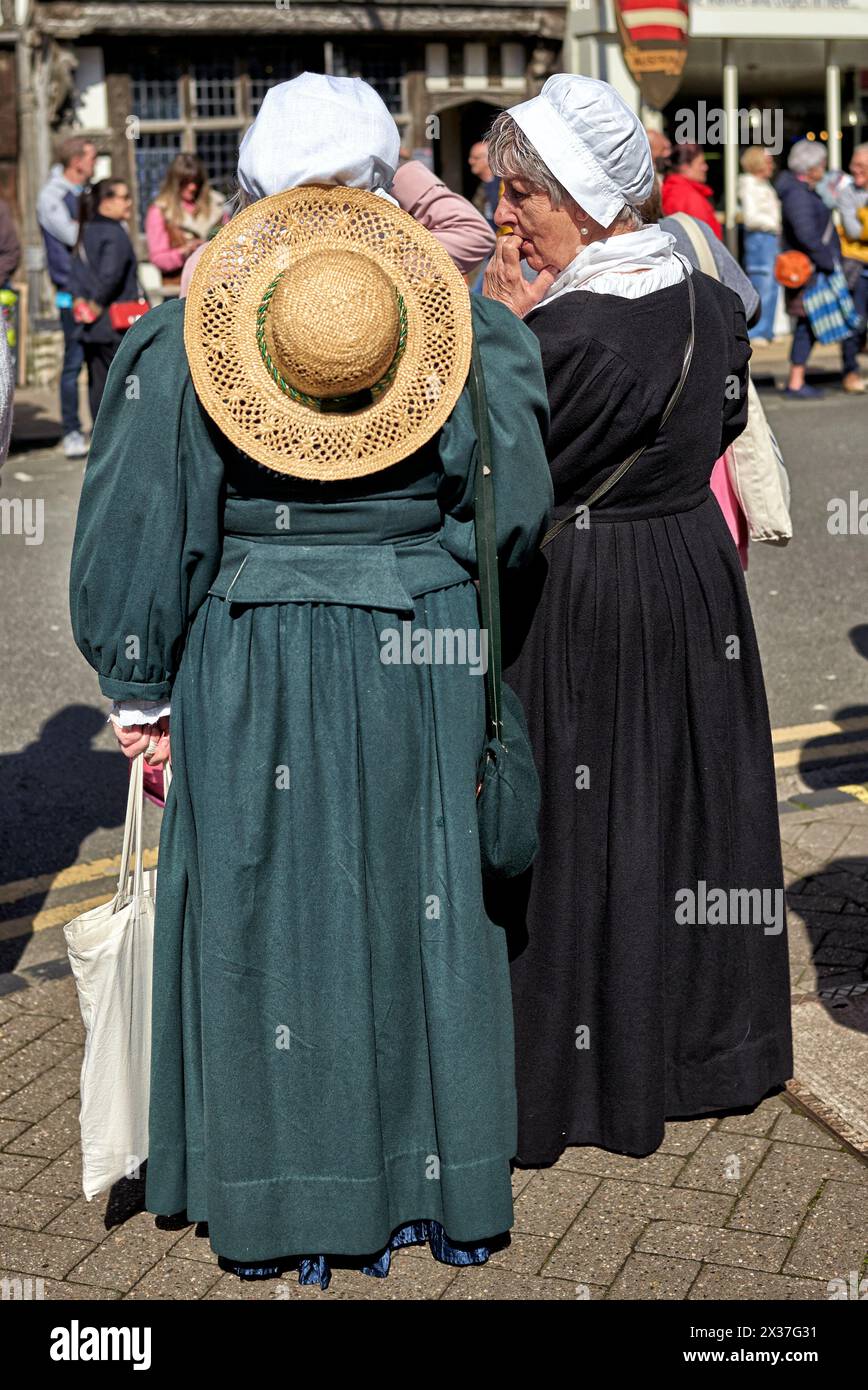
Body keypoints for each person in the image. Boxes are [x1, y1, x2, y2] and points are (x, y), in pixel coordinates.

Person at [69, 73, 553, 1288]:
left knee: (264, 918)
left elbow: (137, 535)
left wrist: (140, 688)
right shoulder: (466, 321)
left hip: (251, 656)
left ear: (255, 188)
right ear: (383, 174)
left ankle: (280, 1198)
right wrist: (420, 569)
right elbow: (518, 516)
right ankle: (438, 1190)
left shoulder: (180, 335)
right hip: (423, 643)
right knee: (421, 903)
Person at [481, 73, 792, 1163]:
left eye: (523, 193)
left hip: (592, 592)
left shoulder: (569, 332)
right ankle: (702, 1049)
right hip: (690, 574)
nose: (505, 215)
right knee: (683, 812)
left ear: (585, 194)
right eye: (500, 191)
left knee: (587, 825)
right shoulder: (707, 291)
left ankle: (585, 1074)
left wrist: (500, 345)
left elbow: (502, 484)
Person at [776, 140, 862, 397]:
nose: (825, 168)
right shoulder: (797, 194)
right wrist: (827, 260)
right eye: (821, 164)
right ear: (811, 167)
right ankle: (795, 382)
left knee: (808, 325)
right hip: (810, 272)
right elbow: (807, 235)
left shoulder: (802, 189)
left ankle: (797, 380)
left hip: (812, 269)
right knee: (806, 325)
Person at [37, 136, 97, 458]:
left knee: (98, 360)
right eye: (91, 157)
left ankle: (100, 427)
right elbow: (74, 236)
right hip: (70, 291)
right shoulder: (52, 196)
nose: (95, 163)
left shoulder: (85, 193)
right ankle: (71, 430)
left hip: (95, 289)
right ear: (77, 161)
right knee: (73, 362)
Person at [68, 178, 140, 422]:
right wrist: (97, 304)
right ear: (106, 202)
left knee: (98, 384)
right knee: (127, 384)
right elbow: (112, 274)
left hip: (91, 325)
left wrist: (81, 302)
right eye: (123, 197)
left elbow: (75, 272)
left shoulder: (86, 230)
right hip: (114, 323)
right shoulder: (114, 232)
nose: (129, 202)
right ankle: (124, 437)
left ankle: (100, 439)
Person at [144, 153, 226, 298]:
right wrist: (184, 252)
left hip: (216, 290)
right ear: (175, 183)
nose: (192, 187)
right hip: (178, 292)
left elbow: (232, 244)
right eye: (185, 182)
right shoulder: (160, 211)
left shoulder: (217, 206)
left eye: (196, 181)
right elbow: (158, 257)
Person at [738, 146, 782, 345]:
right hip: (760, 237)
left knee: (772, 284)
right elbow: (751, 217)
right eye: (768, 161)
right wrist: (773, 224)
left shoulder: (764, 185)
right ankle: (757, 331)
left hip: (771, 237)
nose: (772, 164)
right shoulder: (749, 185)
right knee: (762, 282)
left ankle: (767, 329)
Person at [837, 142, 868, 370]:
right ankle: (850, 371)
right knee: (854, 322)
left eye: (861, 165)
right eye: (853, 164)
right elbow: (852, 230)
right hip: (857, 268)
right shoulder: (847, 192)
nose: (855, 170)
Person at [661, 142, 723, 241]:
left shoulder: (672, 190)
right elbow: (704, 240)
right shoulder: (689, 197)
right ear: (685, 167)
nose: (706, 167)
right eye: (701, 163)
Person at [468, 140, 500, 229]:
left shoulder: (502, 186)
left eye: (476, 158)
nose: (470, 161)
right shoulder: (483, 185)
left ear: (489, 159)